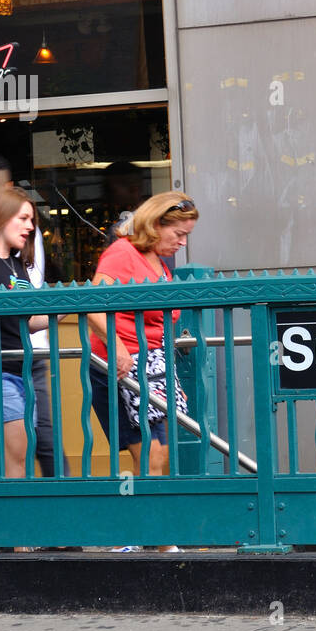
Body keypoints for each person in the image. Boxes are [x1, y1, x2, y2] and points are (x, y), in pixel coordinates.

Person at [87, 192, 199, 481]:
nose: (183, 242)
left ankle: (152, 518)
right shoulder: (123, 252)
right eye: (178, 233)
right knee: (150, 454)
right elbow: (91, 304)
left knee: (159, 454)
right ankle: (146, 521)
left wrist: (168, 377)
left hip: (152, 366)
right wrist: (118, 347)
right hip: (120, 365)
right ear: (155, 224)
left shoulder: (158, 262)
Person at [0, 154, 68, 477]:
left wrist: (66, 307)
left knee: (18, 458)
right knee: (14, 458)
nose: (30, 227)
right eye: (24, 218)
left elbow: (26, 319)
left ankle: (10, 522)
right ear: (1, 217)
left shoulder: (15, 264)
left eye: (31, 221)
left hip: (20, 371)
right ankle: (6, 526)